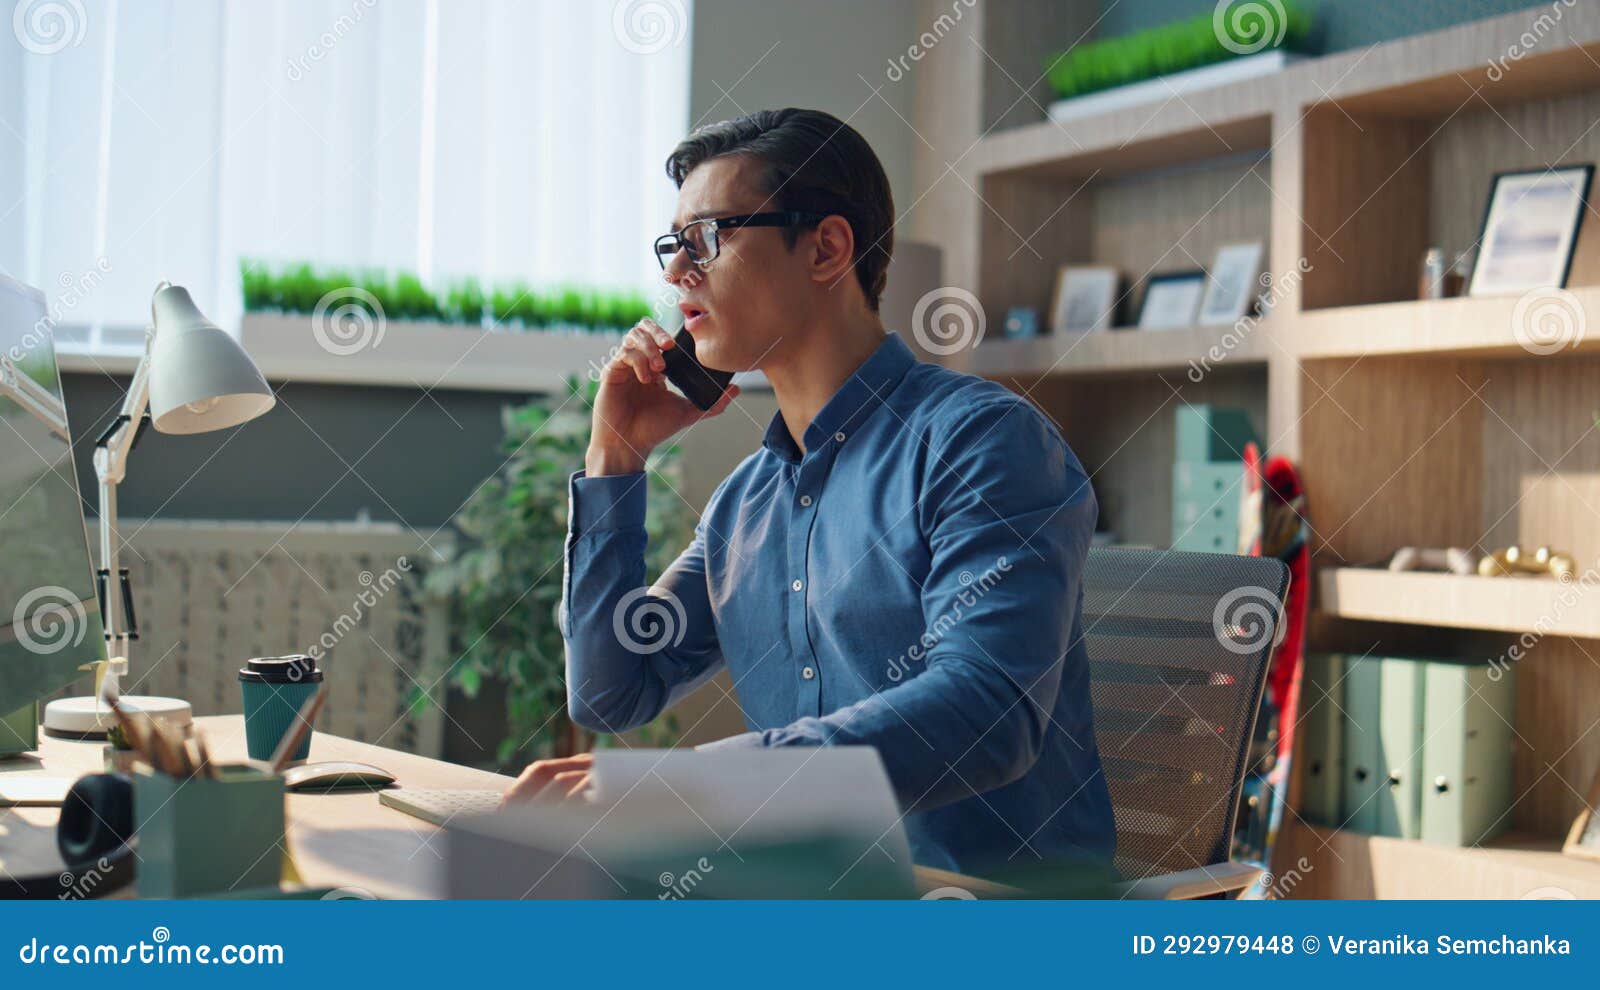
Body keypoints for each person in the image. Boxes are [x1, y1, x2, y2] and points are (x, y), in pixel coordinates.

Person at [503, 108, 1114, 878]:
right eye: (672, 246)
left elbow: (985, 713)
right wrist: (614, 456)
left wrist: (697, 785)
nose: (674, 274)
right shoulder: (745, 503)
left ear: (826, 248)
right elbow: (610, 690)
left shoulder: (983, 443)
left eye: (708, 238)